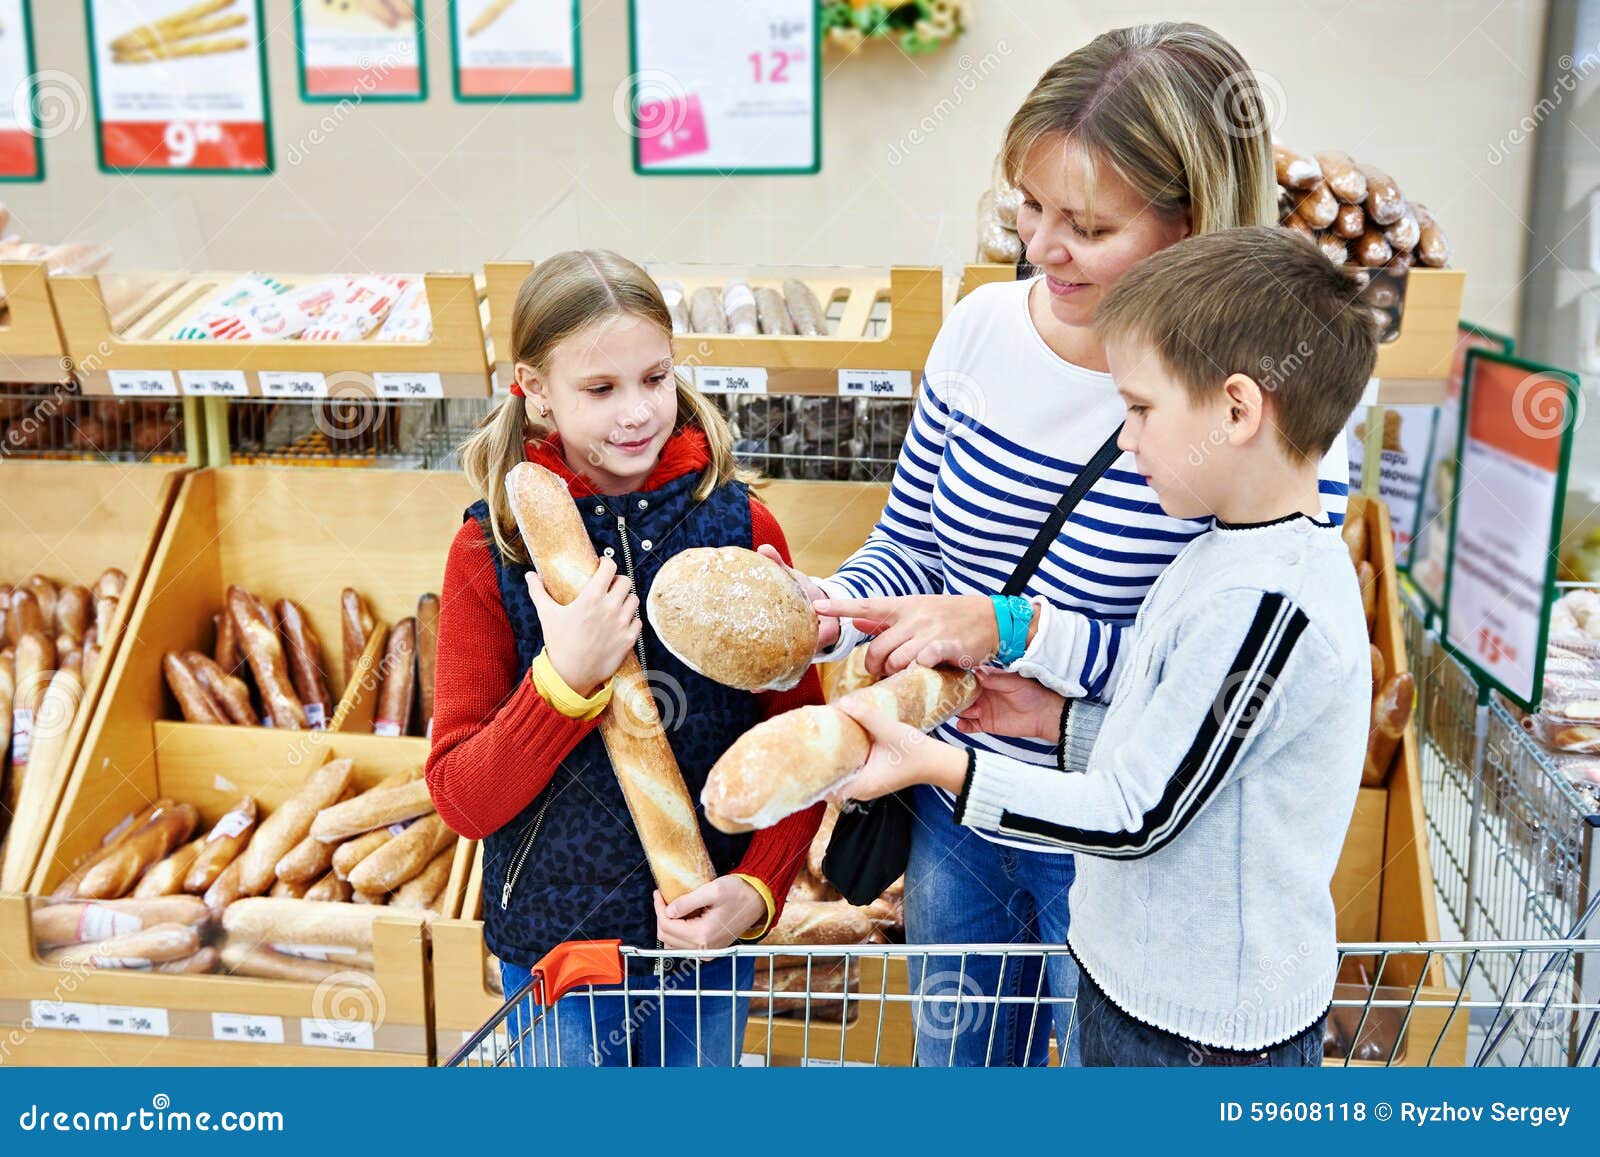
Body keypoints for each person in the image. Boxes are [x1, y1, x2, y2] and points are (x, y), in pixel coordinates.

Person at [762, 21, 1351, 1067]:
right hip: (958, 804)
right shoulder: (981, 332)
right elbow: (913, 548)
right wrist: (825, 607)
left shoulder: (1258, 411)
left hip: (1121, 840)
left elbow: (1224, 669)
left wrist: (1012, 632)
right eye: (1028, 208)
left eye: (1086, 223)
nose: (1042, 247)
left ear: (1191, 224)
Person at [833, 225, 1378, 1067]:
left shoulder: (1272, 603)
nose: (1125, 439)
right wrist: (1050, 725)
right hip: (1128, 989)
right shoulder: (1218, 554)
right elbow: (1178, 758)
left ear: (1237, 410)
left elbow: (1139, 813)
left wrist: (935, 763)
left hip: (1205, 1038)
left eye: (1141, 409)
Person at [425, 250, 824, 1067]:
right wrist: (562, 682)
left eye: (655, 377)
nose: (638, 411)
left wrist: (754, 891)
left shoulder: (743, 527)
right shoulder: (489, 549)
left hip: (702, 947)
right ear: (534, 389)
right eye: (600, 390)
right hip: (555, 953)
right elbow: (462, 799)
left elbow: (802, 747)